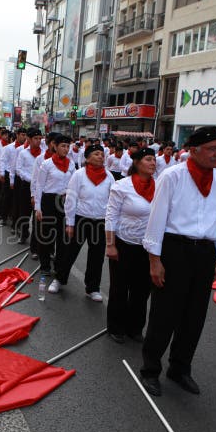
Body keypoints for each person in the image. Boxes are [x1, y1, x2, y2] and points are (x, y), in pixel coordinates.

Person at [139, 126, 216, 397]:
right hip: (175, 249)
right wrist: (155, 260)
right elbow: (157, 218)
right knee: (165, 313)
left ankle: (180, 368)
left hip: (204, 252)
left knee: (194, 315)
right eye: (212, 149)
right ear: (194, 150)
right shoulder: (172, 176)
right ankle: (150, 369)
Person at [48, 144, 115, 301]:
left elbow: (113, 201)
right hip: (80, 219)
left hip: (99, 221)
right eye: (96, 154)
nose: (100, 157)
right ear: (88, 157)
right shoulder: (79, 175)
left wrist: (111, 225)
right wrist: (70, 223)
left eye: (101, 154)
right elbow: (71, 200)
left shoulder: (109, 176)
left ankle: (92, 288)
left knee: (97, 256)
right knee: (69, 252)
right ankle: (59, 279)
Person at [104, 147, 156, 343]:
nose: (153, 163)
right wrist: (110, 244)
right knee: (120, 287)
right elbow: (110, 216)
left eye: (154, 160)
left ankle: (135, 327)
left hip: (148, 246)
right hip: (124, 243)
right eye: (148, 159)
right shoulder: (122, 186)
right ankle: (115, 327)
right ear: (136, 163)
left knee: (142, 289)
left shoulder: (159, 186)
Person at [34, 134, 74, 277]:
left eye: (68, 146)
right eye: (63, 146)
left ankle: (59, 265)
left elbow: (73, 185)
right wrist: (38, 207)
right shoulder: (47, 164)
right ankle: (44, 264)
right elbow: (39, 185)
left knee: (63, 237)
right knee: (46, 235)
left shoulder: (71, 164)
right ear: (54, 146)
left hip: (64, 201)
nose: (66, 149)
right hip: (49, 201)